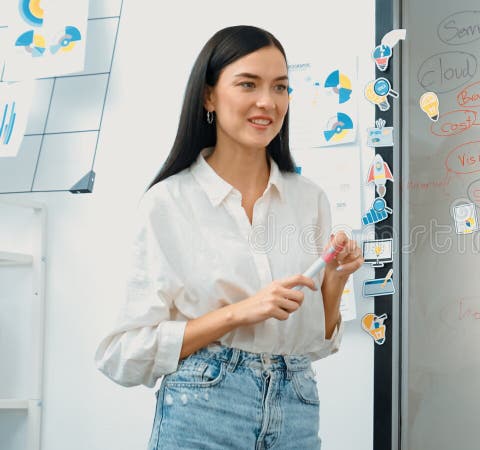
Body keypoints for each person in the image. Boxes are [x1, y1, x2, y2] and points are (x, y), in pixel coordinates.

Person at [95, 25, 363, 449]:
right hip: (204, 407)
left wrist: (336, 281)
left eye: (280, 87)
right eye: (248, 84)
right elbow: (122, 354)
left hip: (296, 405)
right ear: (208, 96)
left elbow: (314, 344)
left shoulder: (309, 198)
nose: (267, 102)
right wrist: (239, 313)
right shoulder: (168, 203)